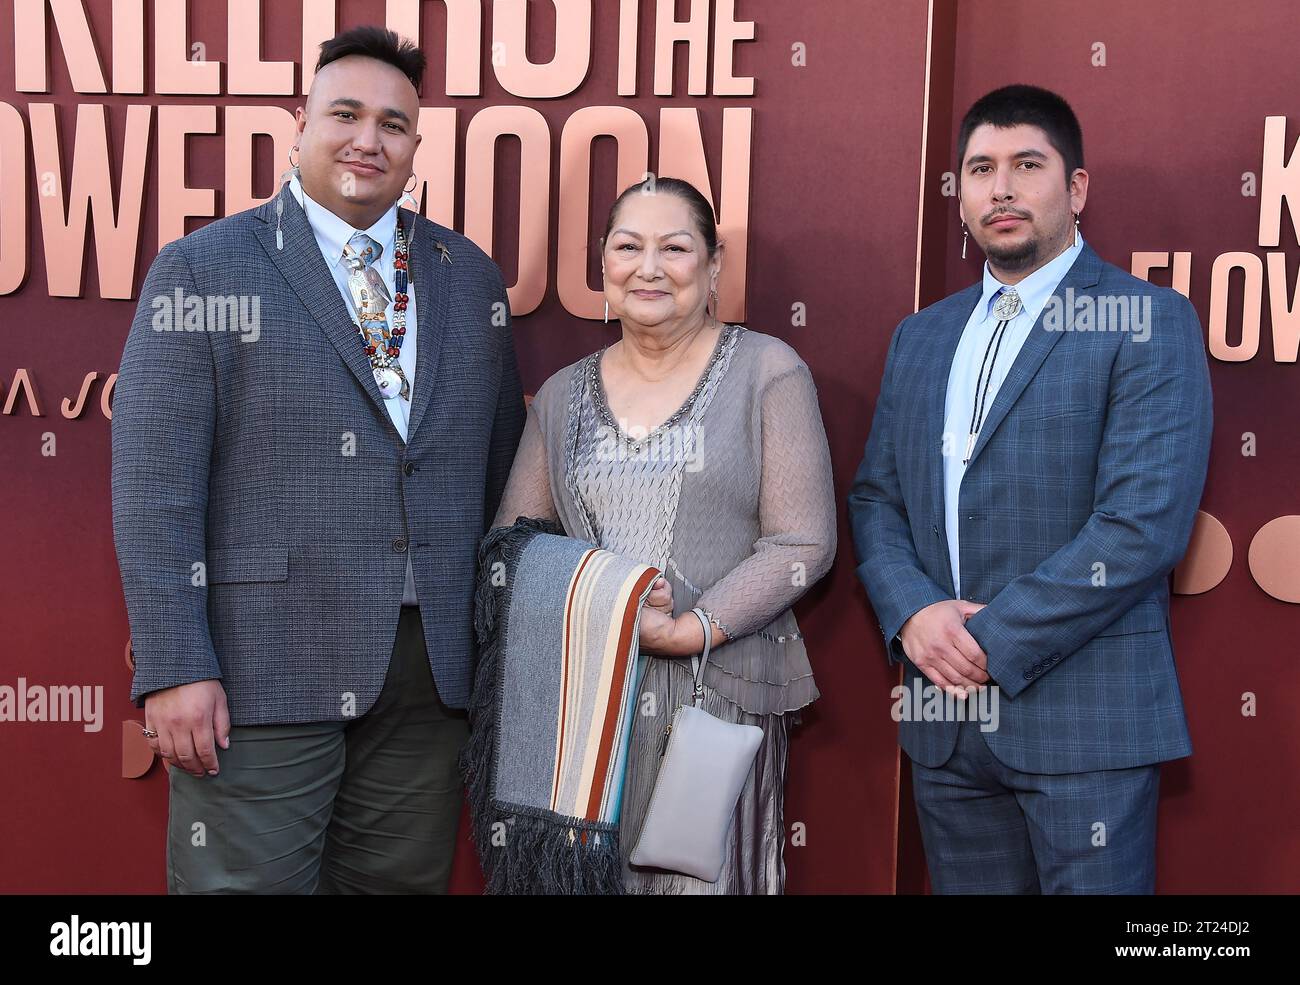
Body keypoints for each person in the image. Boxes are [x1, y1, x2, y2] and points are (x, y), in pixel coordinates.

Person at [111, 26, 524, 894]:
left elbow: (497, 479)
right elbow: (156, 489)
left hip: (431, 672)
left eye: (394, 122)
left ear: (417, 147)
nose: (368, 138)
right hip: (261, 665)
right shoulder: (202, 271)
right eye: (345, 113)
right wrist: (176, 661)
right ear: (298, 127)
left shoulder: (471, 279)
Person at [849, 84, 1213, 894]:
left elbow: (1140, 527)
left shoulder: (1146, 320)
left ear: (1076, 189)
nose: (1001, 188)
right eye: (981, 168)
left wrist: (986, 638)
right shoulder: (922, 335)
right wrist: (914, 614)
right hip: (944, 725)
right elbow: (877, 498)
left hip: (1085, 723)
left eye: (1026, 165)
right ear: (962, 196)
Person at [490, 176, 836, 894]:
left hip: (715, 697)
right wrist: (607, 604)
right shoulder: (559, 394)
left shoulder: (767, 370)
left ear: (713, 270)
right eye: (628, 246)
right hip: (584, 708)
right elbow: (511, 545)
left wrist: (690, 628)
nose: (649, 266)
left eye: (675, 247)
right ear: (603, 269)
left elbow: (803, 542)